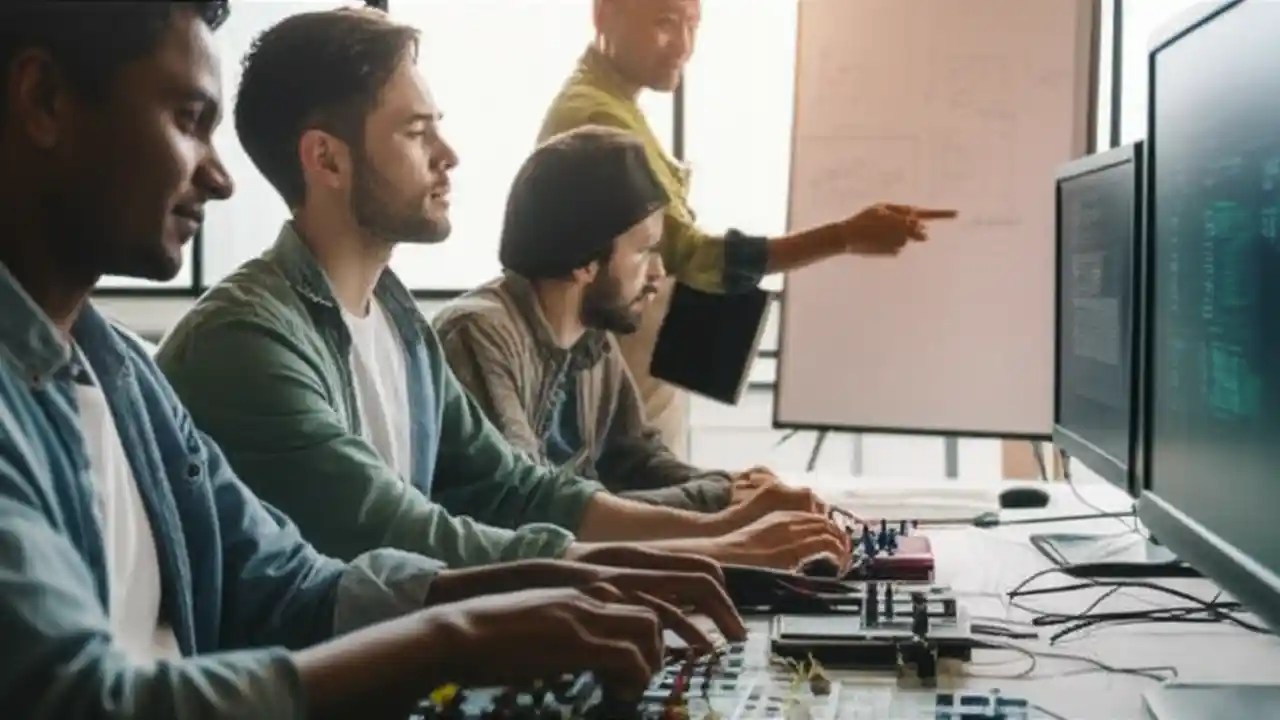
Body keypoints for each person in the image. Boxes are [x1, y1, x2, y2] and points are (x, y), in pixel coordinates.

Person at [0, 2, 748, 715]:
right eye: (188, 121)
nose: (220, 177)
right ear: (44, 102)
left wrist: (562, 578)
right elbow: (78, 702)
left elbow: (283, 582)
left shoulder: (120, 372)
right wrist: (455, 637)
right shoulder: (241, 342)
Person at [156, 7, 852, 573]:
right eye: (417, 131)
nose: (449, 154)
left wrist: (725, 521)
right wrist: (714, 551)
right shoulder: (247, 340)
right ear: (327, 159)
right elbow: (407, 537)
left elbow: (517, 489)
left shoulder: (399, 322)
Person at [539, 0, 959, 455]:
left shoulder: (614, 105)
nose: (683, 45)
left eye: (693, 25)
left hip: (637, 373)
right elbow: (692, 255)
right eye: (664, 22)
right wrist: (844, 237)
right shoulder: (596, 118)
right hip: (618, 383)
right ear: (605, 16)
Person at [435, 126, 796, 514]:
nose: (658, 271)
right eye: (644, 251)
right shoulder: (478, 335)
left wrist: (733, 486)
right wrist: (716, 497)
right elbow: (531, 505)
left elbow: (635, 459)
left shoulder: (592, 338)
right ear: (585, 262)